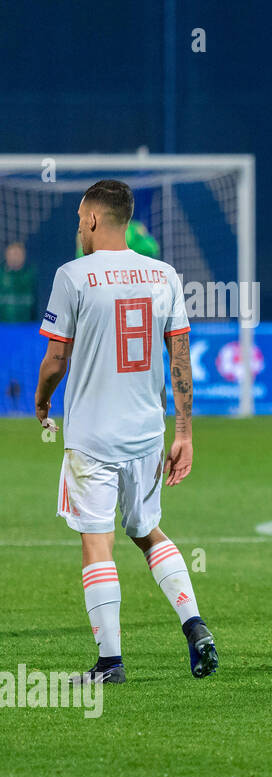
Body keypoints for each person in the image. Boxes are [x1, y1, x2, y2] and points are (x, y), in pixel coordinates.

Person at [33, 179, 217, 684]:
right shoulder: (164, 275)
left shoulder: (72, 276)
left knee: (98, 541)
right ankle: (195, 625)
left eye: (78, 219)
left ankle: (110, 663)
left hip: (92, 436)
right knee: (145, 530)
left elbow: (56, 357)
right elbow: (179, 357)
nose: (78, 227)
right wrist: (185, 432)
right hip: (146, 435)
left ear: (93, 219)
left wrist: (43, 397)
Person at [1, 242, 39, 323]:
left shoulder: (32, 274)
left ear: (24, 256)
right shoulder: (1, 275)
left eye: (18, 254)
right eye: (12, 254)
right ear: (6, 255)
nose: (15, 257)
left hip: (26, 328)